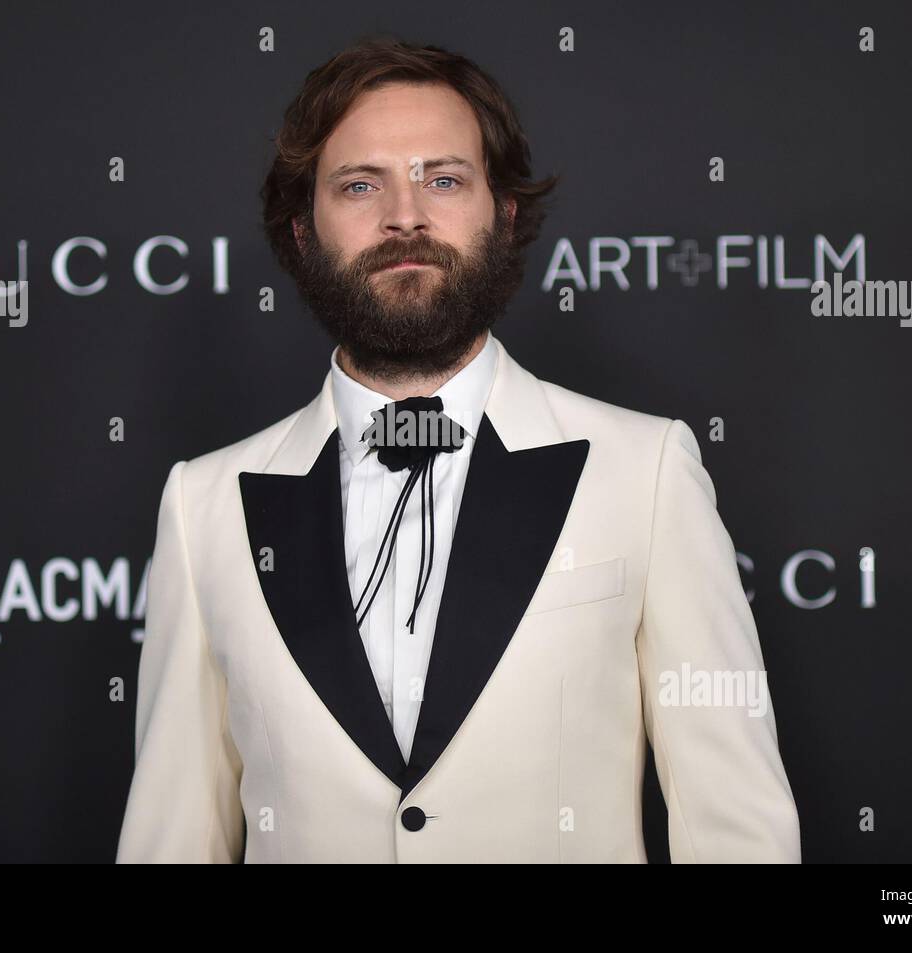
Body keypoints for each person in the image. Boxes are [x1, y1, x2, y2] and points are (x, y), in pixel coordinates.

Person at [116, 37, 800, 863]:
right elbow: (171, 838)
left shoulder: (645, 471)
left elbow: (737, 830)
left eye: (443, 179)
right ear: (301, 232)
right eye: (360, 185)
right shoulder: (206, 504)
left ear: (504, 215)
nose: (405, 215)